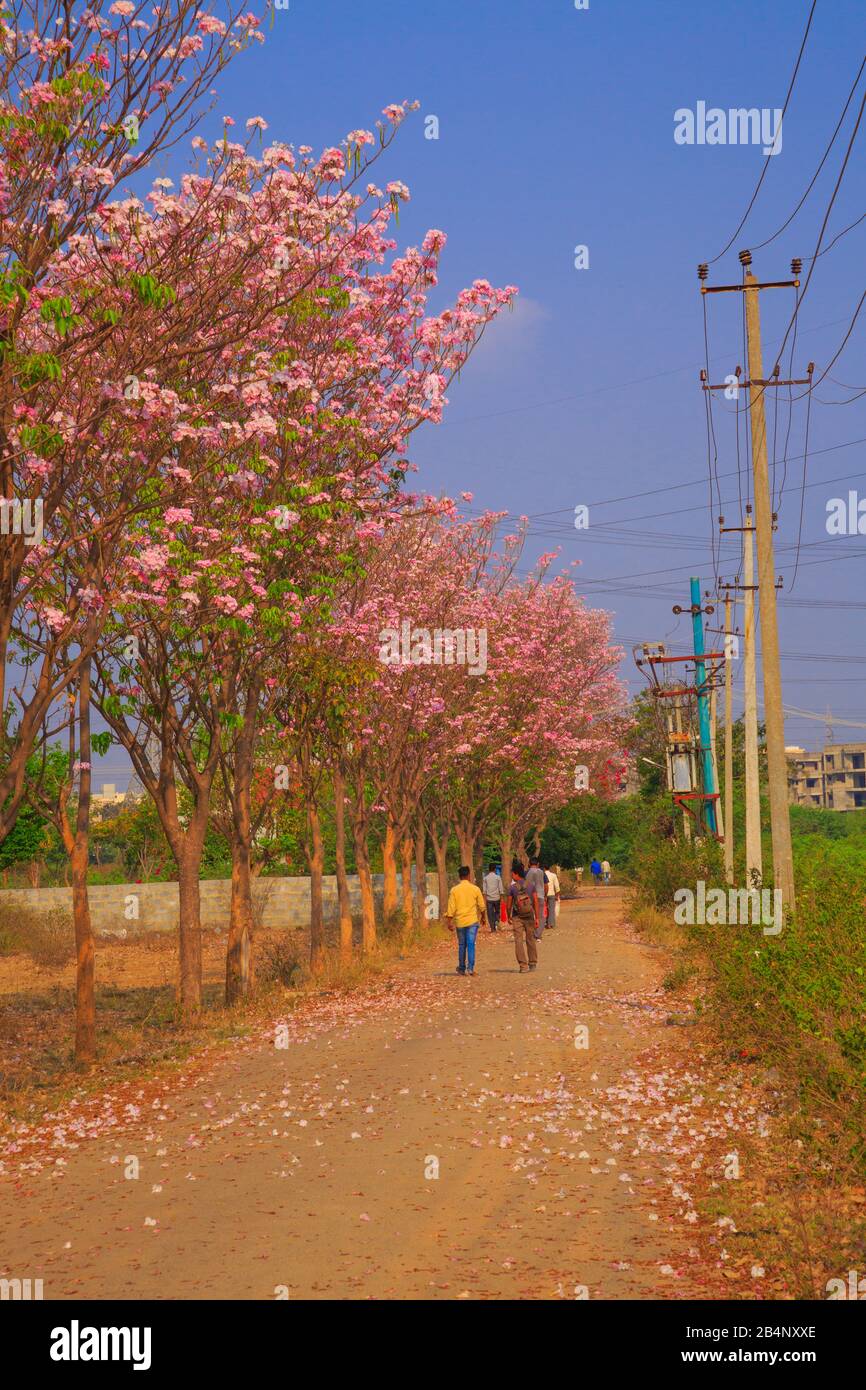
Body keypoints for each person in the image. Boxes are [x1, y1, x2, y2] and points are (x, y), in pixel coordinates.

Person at [445, 866, 486, 976]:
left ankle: (462, 968)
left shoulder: (454, 890)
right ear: (468, 876)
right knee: (471, 944)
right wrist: (483, 917)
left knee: (462, 945)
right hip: (472, 921)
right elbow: (482, 906)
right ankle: (470, 969)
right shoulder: (475, 889)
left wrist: (449, 922)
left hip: (460, 922)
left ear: (459, 876)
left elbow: (451, 908)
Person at [507, 862, 538, 973]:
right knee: (530, 939)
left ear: (516, 874)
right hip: (529, 916)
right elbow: (535, 901)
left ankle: (523, 966)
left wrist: (508, 915)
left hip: (517, 917)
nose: (512, 876)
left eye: (512, 874)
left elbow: (509, 903)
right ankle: (533, 963)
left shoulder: (512, 888)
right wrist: (537, 917)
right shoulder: (531, 885)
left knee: (518, 941)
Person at [525, 857, 546, 939]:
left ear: (529, 864)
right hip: (540, 895)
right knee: (541, 916)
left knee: (531, 915)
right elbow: (545, 884)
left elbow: (525, 885)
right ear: (538, 864)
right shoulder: (541, 872)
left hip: (530, 896)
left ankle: (532, 933)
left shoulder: (527, 873)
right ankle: (538, 934)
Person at [482, 861, 504, 932]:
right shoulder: (498, 877)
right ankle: (497, 920)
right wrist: (502, 898)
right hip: (497, 898)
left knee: (490, 913)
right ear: (495, 869)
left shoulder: (485, 878)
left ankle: (492, 928)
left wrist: (484, 900)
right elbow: (501, 889)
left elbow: (484, 891)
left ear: (489, 869)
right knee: (497, 911)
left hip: (489, 899)